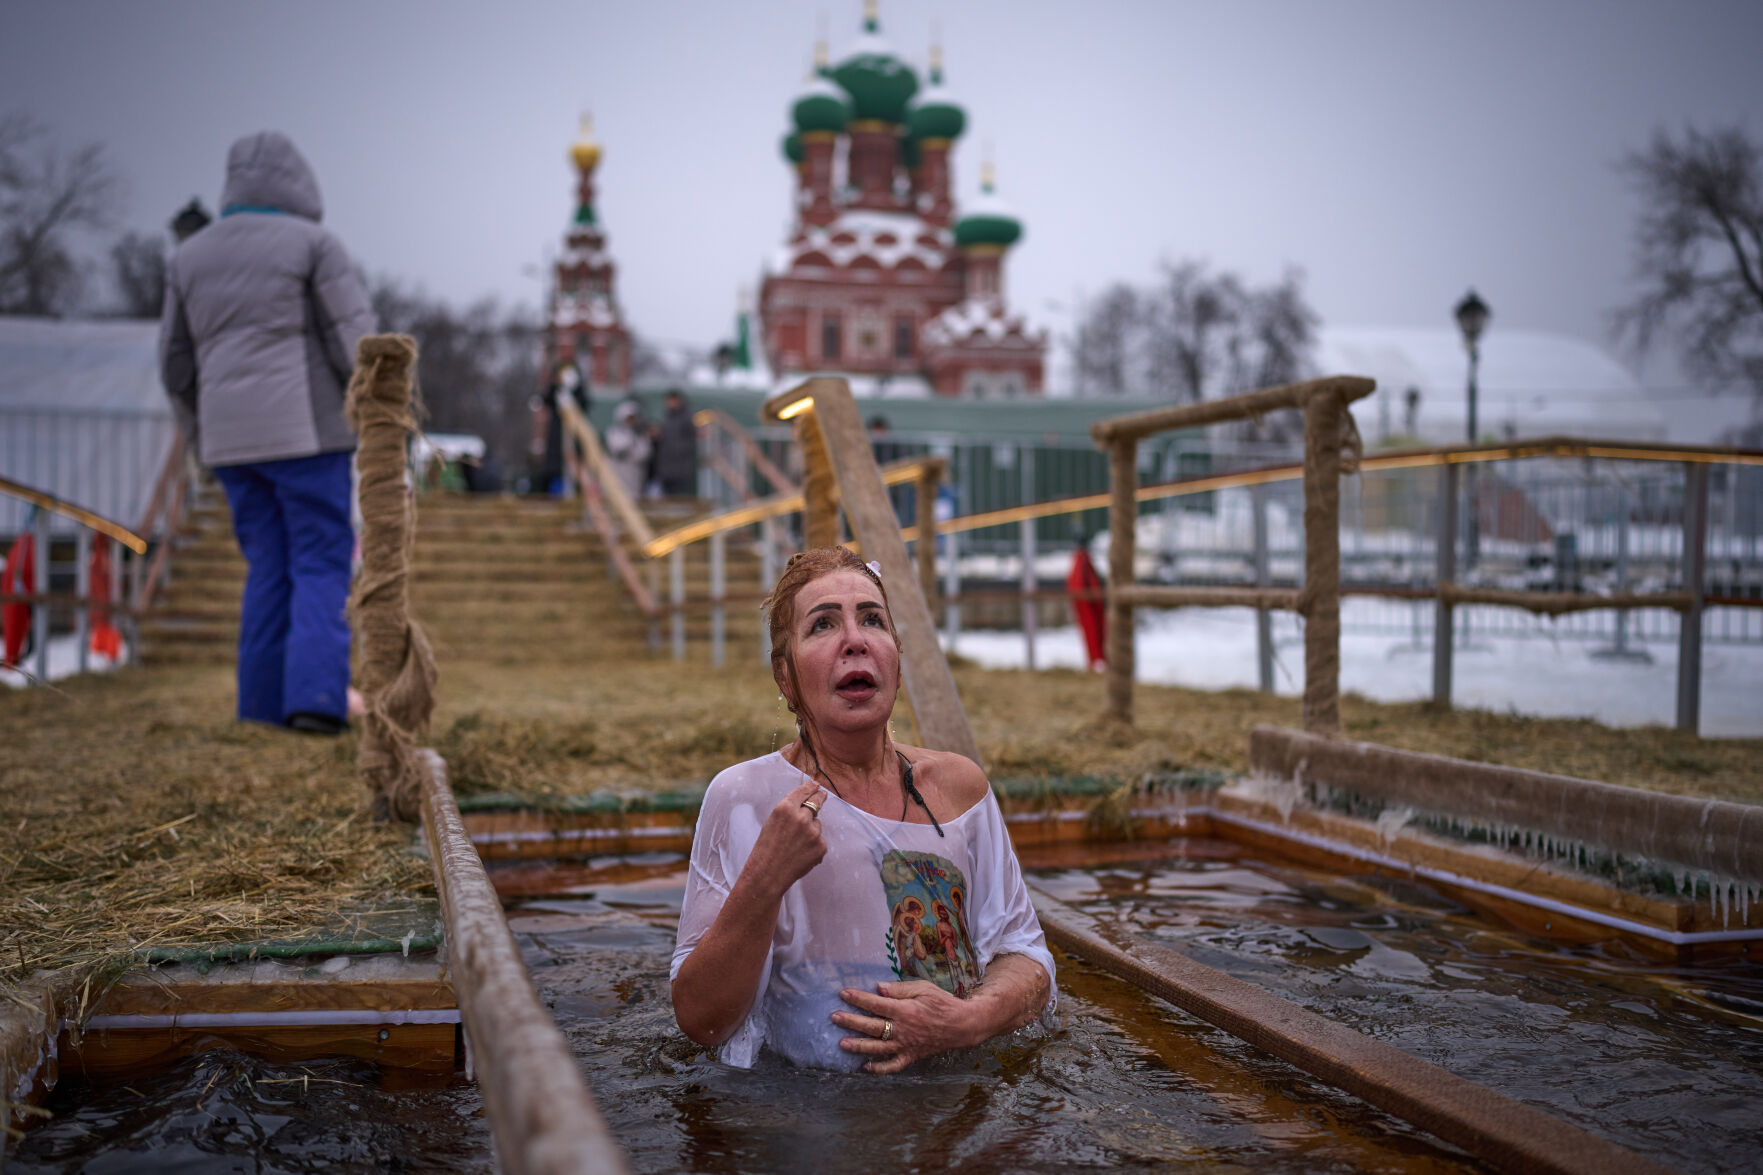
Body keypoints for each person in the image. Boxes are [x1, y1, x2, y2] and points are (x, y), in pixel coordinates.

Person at [671, 547, 1055, 1072]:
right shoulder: (746, 799)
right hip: (808, 1112)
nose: (855, 640)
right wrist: (765, 880)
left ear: (895, 654)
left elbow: (1027, 956)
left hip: (961, 1094)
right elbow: (699, 1020)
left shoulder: (959, 790)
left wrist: (971, 1021)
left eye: (872, 619)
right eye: (823, 624)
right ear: (786, 678)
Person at [159, 131, 374, 735]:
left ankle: (258, 707)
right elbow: (356, 344)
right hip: (306, 435)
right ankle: (314, 700)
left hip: (232, 446)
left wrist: (205, 436)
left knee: (268, 566)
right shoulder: (313, 244)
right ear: (299, 184)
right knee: (320, 560)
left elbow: (175, 368)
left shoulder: (189, 257)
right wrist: (383, 418)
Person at [605, 399, 652, 502]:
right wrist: (630, 438)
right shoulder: (614, 433)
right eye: (628, 418)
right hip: (617, 477)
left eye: (633, 419)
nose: (630, 422)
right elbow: (617, 448)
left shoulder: (640, 435)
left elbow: (644, 454)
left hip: (634, 479)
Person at [653, 389, 698, 498]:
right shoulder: (666, 417)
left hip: (680, 470)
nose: (670, 403)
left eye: (672, 400)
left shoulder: (686, 418)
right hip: (666, 470)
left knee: (679, 501)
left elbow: (690, 442)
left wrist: (672, 446)